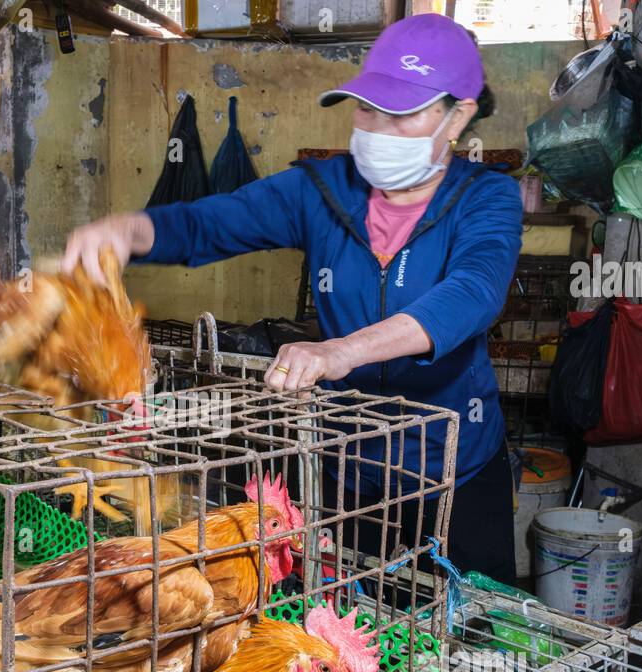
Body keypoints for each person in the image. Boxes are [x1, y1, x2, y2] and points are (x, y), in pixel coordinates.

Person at [62, 13, 522, 585]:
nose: (377, 127)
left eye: (401, 114)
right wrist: (128, 233)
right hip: (349, 463)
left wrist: (341, 351)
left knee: (470, 623)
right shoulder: (322, 189)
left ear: (458, 116)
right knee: (352, 617)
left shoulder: (486, 197)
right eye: (367, 108)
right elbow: (213, 222)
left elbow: (474, 292)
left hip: (453, 461)